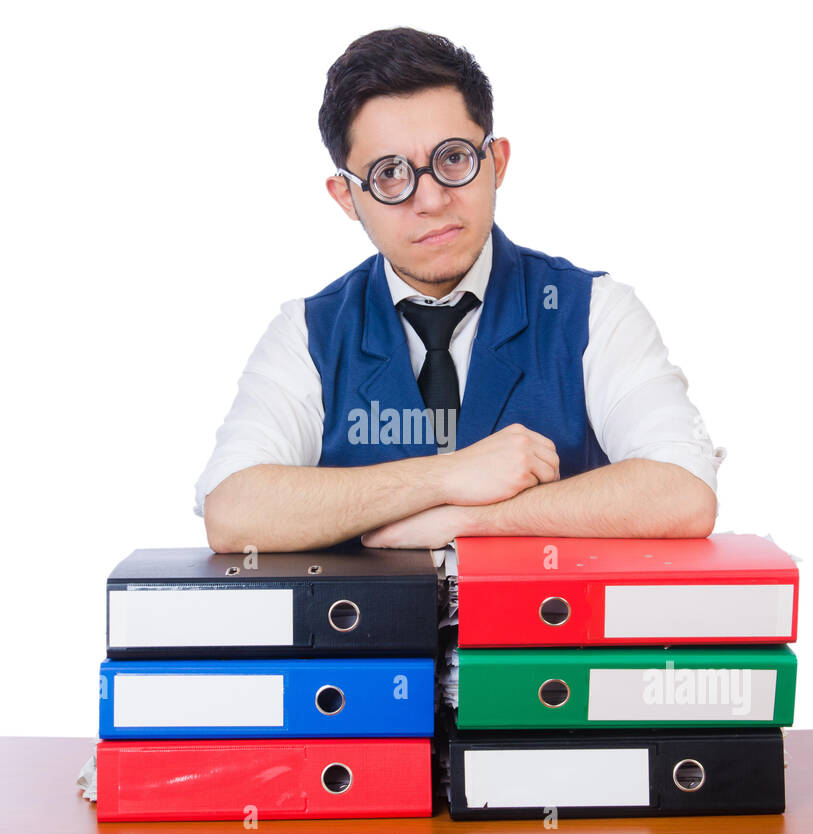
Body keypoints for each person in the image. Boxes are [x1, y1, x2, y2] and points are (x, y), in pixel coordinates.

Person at [195, 27, 725, 553]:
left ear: (496, 162)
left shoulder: (593, 312)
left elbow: (682, 490)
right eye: (388, 174)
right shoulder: (307, 334)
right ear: (346, 197)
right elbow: (234, 512)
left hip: (552, 638)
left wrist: (470, 519)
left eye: (452, 159)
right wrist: (446, 476)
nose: (429, 200)